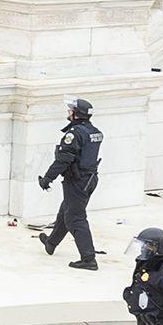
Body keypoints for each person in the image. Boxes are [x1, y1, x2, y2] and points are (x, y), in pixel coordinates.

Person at [36, 100, 101, 270]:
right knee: (66, 211)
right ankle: (51, 243)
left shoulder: (74, 134)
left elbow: (63, 160)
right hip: (89, 179)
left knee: (75, 218)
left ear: (76, 114)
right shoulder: (94, 132)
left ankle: (88, 259)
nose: (68, 111)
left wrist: (48, 178)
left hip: (78, 181)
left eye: (71, 110)